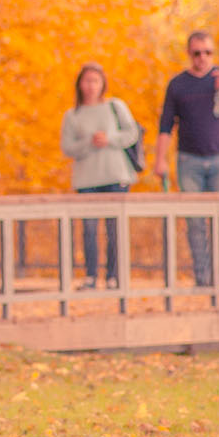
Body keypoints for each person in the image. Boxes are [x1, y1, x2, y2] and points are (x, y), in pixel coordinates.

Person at [152, 30, 219, 287]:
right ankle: (203, 280)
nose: (202, 58)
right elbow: (165, 125)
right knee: (195, 222)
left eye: (208, 52)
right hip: (189, 161)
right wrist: (159, 160)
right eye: (197, 53)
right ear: (189, 54)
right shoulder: (178, 85)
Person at [59, 63, 140, 288]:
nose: (91, 86)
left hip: (115, 176)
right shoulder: (73, 115)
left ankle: (114, 276)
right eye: (87, 80)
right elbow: (67, 147)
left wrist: (110, 139)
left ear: (102, 83)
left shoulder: (115, 106)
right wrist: (90, 142)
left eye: (95, 80)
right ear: (80, 84)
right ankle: (91, 275)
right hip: (87, 179)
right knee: (89, 229)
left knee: (114, 229)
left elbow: (131, 133)